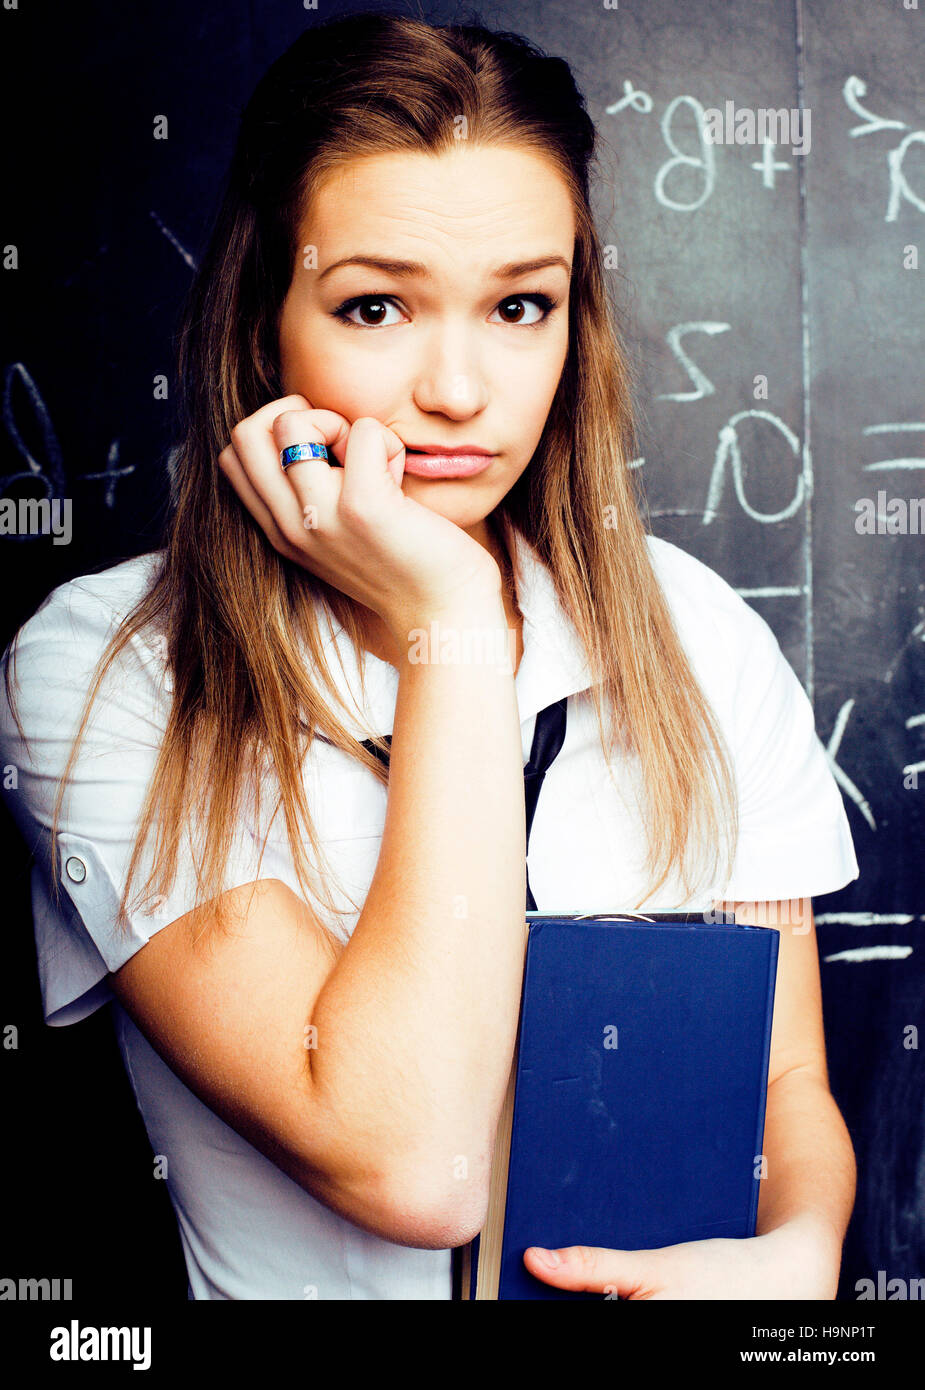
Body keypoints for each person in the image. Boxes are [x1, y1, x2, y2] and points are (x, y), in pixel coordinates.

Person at [0, 12, 858, 1300]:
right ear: (261, 319)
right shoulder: (107, 669)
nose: (459, 390)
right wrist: (449, 617)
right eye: (377, 305)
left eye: (521, 305)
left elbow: (784, 1083)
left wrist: (803, 1258)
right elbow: (417, 1164)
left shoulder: (698, 639)